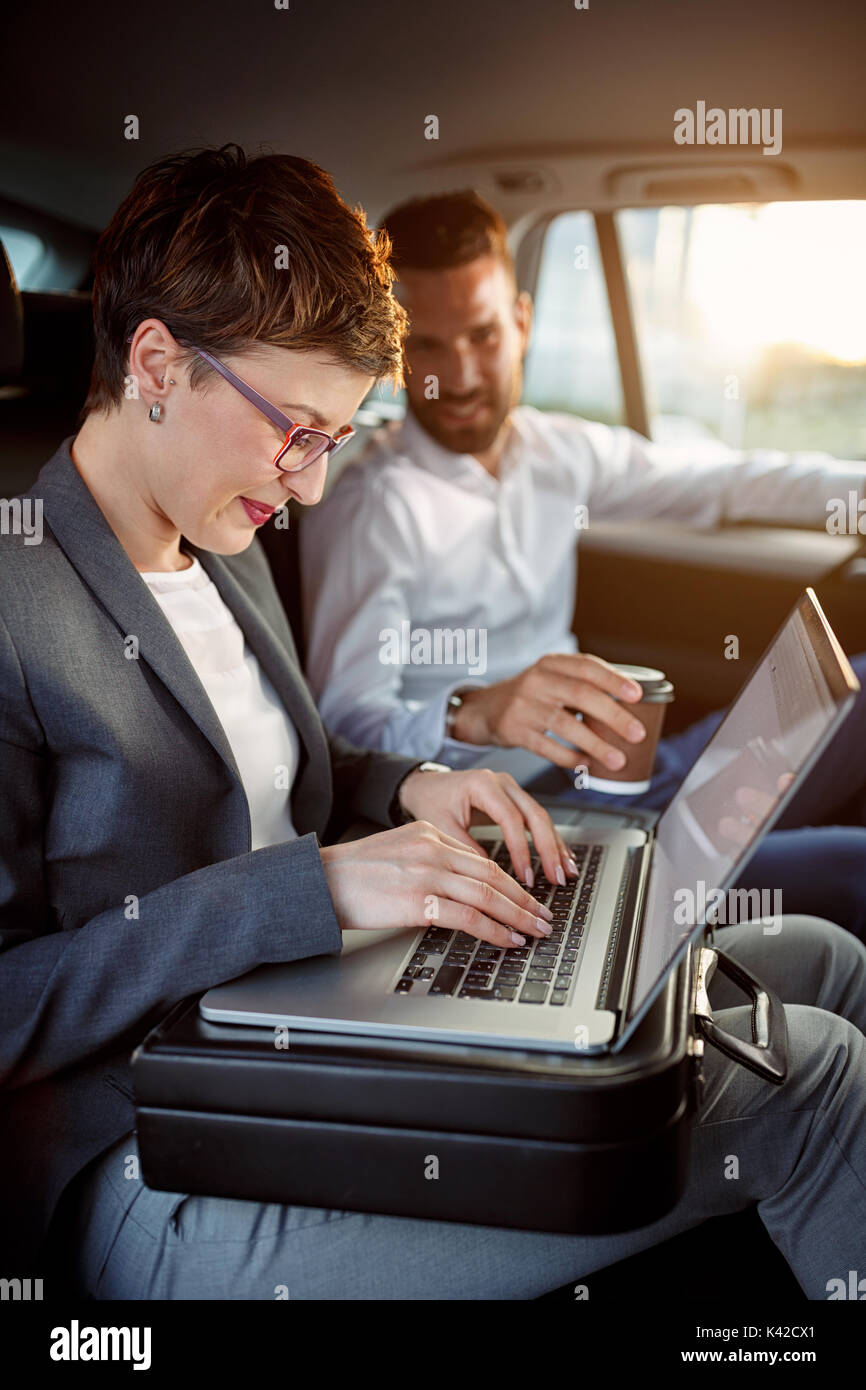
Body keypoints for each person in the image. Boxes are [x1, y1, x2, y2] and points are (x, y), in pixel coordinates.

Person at [2, 150, 864, 1301]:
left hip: (314, 1023)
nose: (308, 488)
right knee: (809, 1081)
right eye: (292, 429)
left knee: (823, 960)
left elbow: (293, 766)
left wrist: (408, 787)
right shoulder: (19, 600)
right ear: (158, 361)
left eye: (335, 439)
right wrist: (314, 888)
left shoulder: (222, 545)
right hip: (159, 1153)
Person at [301, 189, 866, 941]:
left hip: (628, 767)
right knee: (855, 870)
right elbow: (346, 732)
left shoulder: (556, 450)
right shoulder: (371, 508)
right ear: (398, 349)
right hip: (536, 828)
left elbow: (723, 481)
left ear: (523, 324)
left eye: (483, 335)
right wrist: (476, 712)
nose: (461, 376)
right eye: (429, 346)